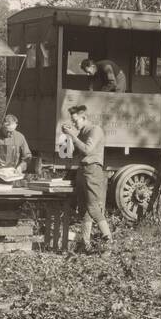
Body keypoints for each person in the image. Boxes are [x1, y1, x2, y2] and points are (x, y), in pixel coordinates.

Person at [60, 104, 113, 253]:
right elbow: (70, 153)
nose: (74, 124)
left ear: (84, 118)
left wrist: (72, 135)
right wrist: (66, 136)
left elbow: (87, 150)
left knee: (93, 208)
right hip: (82, 171)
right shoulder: (81, 132)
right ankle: (85, 244)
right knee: (84, 210)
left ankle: (109, 241)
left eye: (76, 120)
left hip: (92, 170)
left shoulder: (95, 130)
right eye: (72, 120)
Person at [0, 113, 34, 183]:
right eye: (7, 131)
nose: (10, 134)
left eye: (12, 131)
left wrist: (21, 167)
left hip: (13, 177)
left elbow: (27, 156)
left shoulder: (20, 137)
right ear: (3, 126)